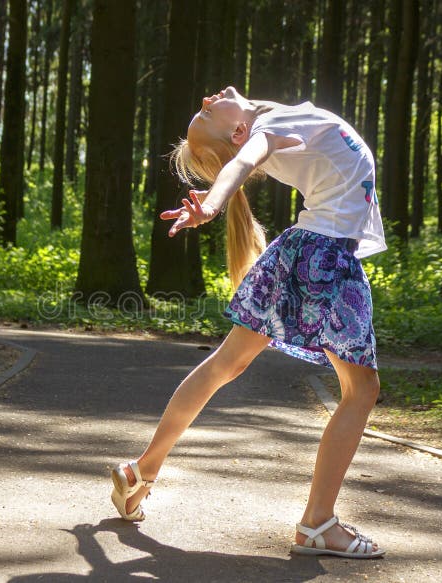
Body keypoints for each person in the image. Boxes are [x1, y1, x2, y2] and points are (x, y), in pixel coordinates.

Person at [110, 86, 387, 559]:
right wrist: (213, 205)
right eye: (206, 114)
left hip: (307, 250)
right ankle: (318, 524)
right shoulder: (265, 131)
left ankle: (142, 469)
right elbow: (240, 163)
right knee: (361, 391)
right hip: (324, 257)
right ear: (239, 131)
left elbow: (241, 155)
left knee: (226, 364)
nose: (203, 100)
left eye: (202, 110)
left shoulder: (271, 118)